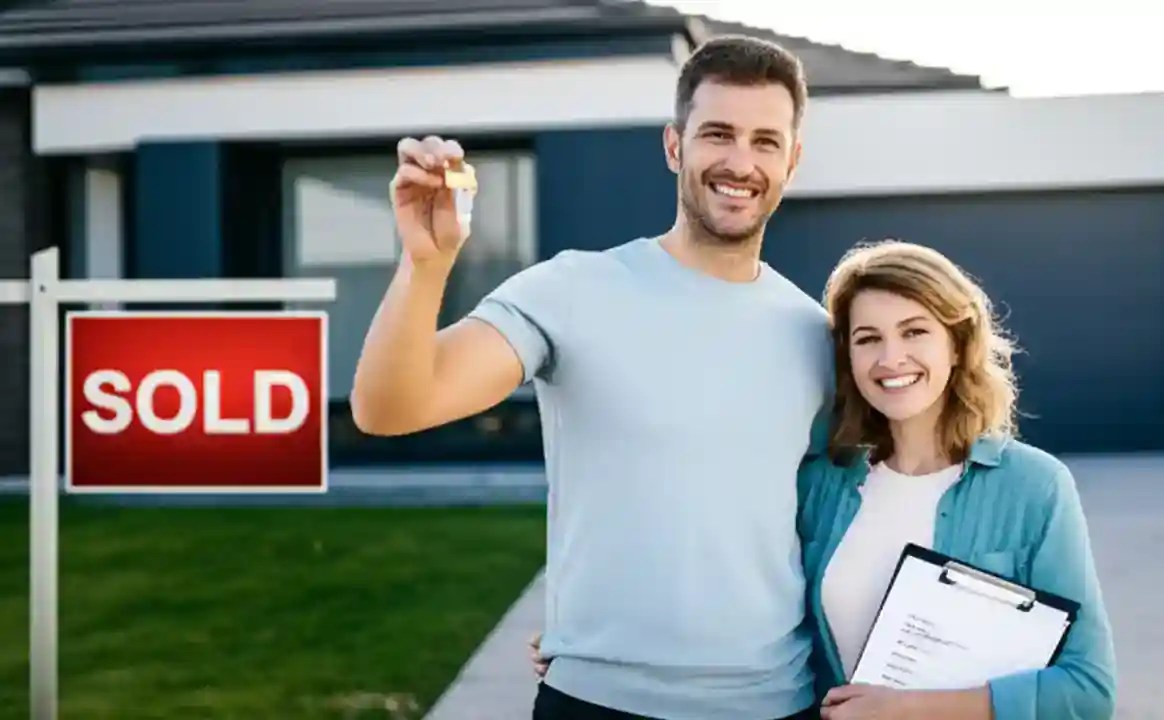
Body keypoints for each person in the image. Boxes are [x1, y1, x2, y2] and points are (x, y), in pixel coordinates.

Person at [351, 35, 832, 720]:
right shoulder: (575, 289)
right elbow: (389, 407)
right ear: (675, 147)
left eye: (764, 141)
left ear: (792, 159)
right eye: (717, 134)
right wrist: (425, 265)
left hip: (775, 704)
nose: (739, 162)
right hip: (597, 704)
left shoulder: (815, 334)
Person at [798, 240, 1117, 719]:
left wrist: (909, 710)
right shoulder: (821, 484)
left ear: (958, 342)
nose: (891, 358)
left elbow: (1088, 690)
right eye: (868, 339)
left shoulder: (1036, 486)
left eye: (914, 332)